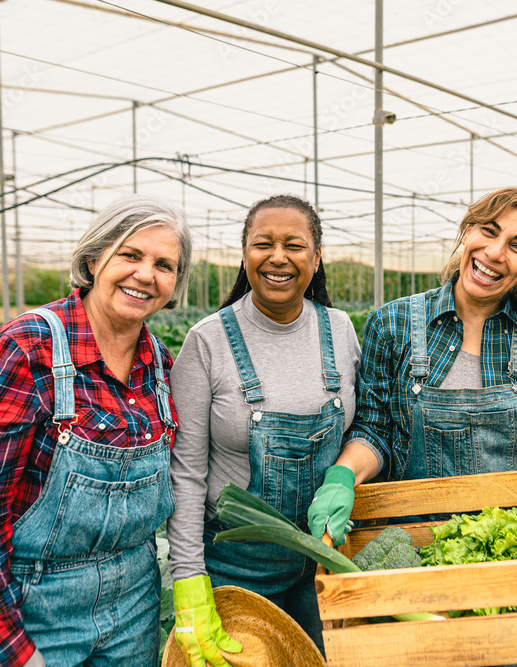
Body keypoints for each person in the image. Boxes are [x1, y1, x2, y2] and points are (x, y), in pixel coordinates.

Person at [307, 187, 517, 667]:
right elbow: (376, 431)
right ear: (467, 230)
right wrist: (344, 474)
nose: (495, 253)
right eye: (488, 232)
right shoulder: (394, 323)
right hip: (418, 556)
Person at [0, 196, 191, 667]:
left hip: (135, 602)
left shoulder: (161, 365)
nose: (145, 274)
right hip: (33, 607)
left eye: (164, 265)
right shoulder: (26, 348)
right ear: (94, 260)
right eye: (130, 255)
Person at [166, 194, 361, 666]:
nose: (278, 257)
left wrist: (343, 478)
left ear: (316, 258)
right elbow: (187, 474)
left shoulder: (340, 329)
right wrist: (188, 577)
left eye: (294, 245)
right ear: (245, 254)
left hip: (322, 561)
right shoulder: (208, 341)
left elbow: (362, 430)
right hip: (234, 568)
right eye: (263, 244)